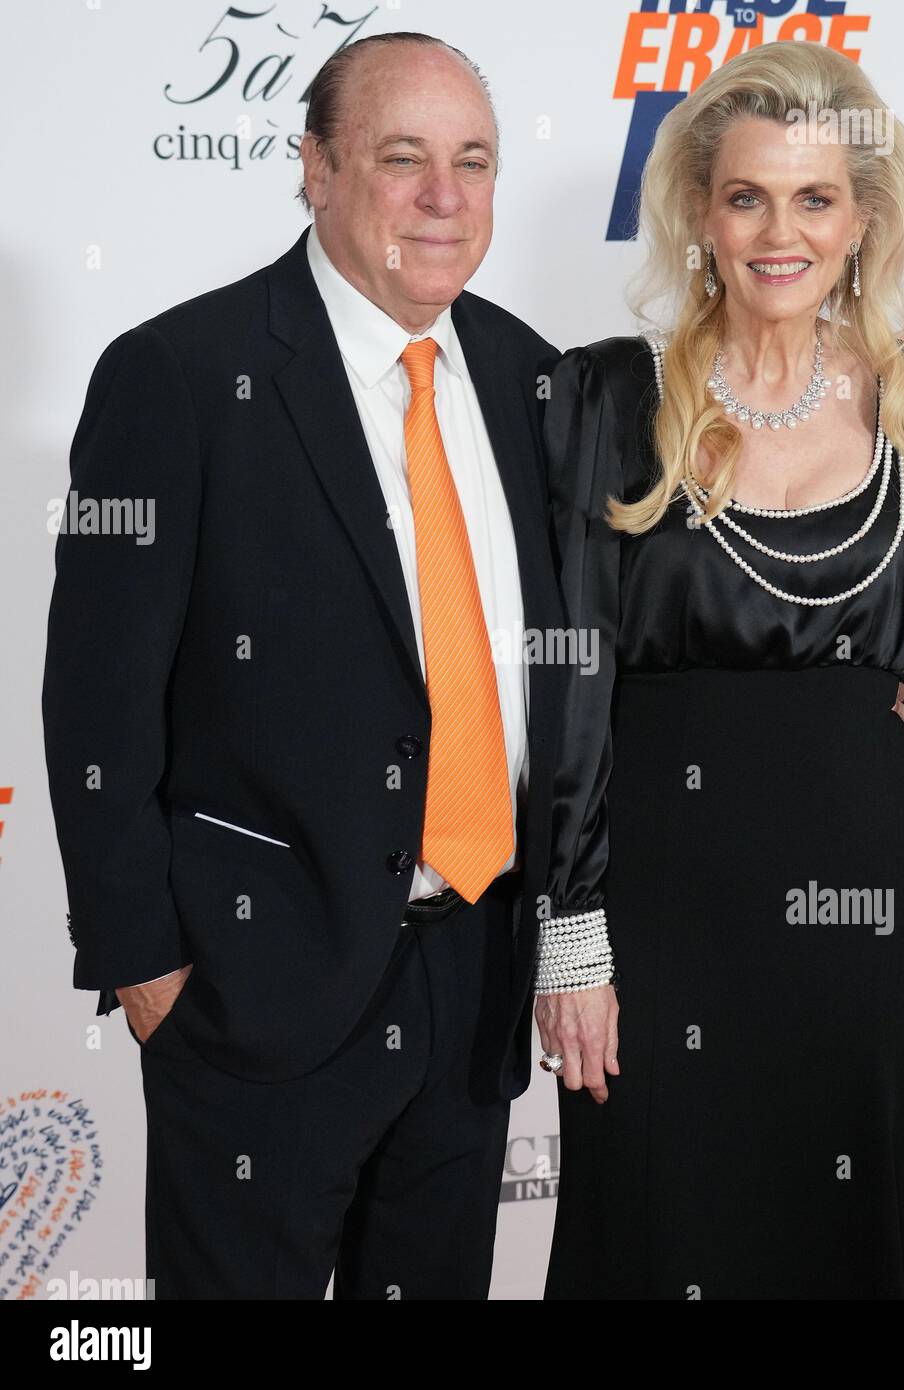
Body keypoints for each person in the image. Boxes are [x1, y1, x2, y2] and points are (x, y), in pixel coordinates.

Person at [42, 32, 565, 1299]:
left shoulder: (530, 377)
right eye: (402, 158)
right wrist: (145, 962)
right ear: (316, 168)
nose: (444, 196)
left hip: (474, 979)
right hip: (254, 983)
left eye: (472, 161)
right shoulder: (176, 373)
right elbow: (95, 699)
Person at [532, 43, 904, 1300]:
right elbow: (568, 684)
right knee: (653, 1229)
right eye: (747, 196)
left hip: (875, 908)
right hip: (663, 901)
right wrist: (571, 937)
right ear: (699, 213)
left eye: (814, 199)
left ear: (861, 220)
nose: (780, 232)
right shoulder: (606, 394)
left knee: (852, 1239)